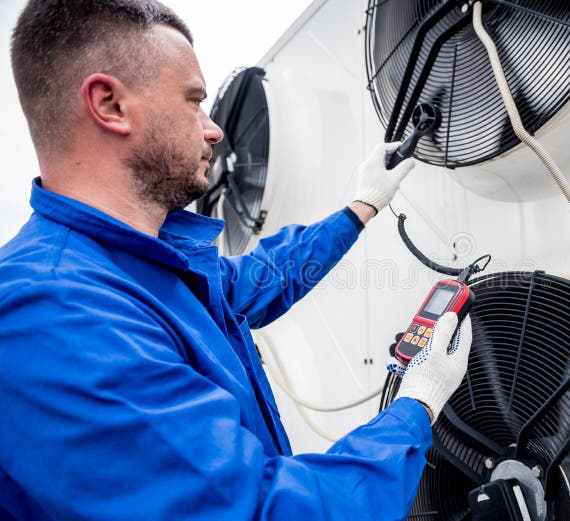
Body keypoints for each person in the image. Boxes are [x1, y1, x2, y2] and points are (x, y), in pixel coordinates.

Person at [0, 1, 472, 519]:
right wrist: (417, 406)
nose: (215, 131)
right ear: (110, 104)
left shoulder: (146, 261)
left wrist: (362, 207)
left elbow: (260, 279)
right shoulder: (54, 314)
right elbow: (262, 511)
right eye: (194, 101)